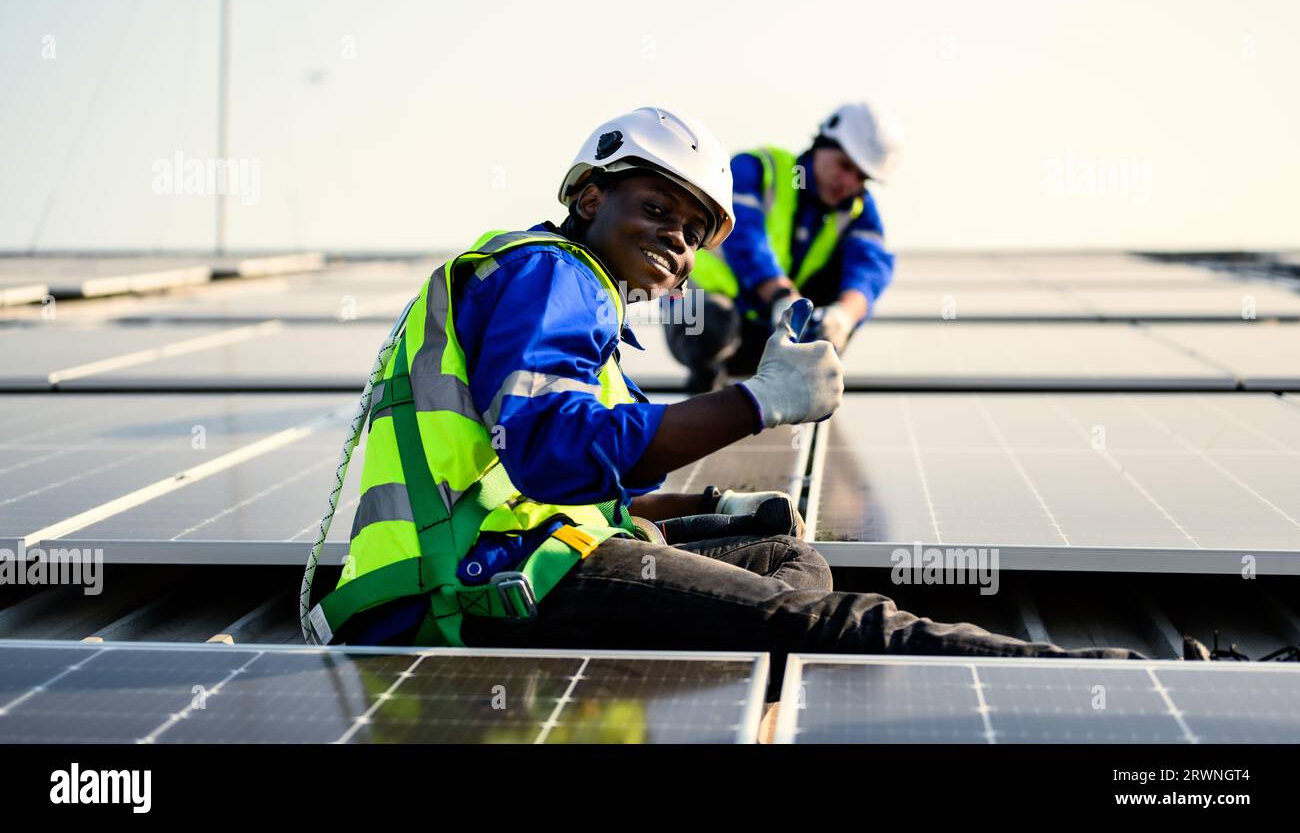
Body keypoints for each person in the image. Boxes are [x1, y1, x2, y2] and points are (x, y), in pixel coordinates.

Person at [308, 105, 1145, 693]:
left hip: (524, 551)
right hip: (471, 581)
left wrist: (713, 507)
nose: (678, 241)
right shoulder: (551, 272)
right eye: (659, 209)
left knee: (785, 557)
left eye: (696, 231)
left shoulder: (584, 311)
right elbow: (548, 451)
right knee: (826, 622)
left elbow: (583, 483)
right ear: (590, 197)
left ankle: (738, 644)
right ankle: (1121, 681)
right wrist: (759, 402)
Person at [665, 101, 900, 393]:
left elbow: (871, 265)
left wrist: (844, 315)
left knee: (837, 312)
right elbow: (744, 237)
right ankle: (707, 384)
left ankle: (794, 388)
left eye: (862, 177)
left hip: (769, 323)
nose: (849, 182)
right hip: (703, 309)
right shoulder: (760, 170)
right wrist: (779, 293)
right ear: (822, 144)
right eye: (845, 165)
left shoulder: (857, 210)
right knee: (712, 327)